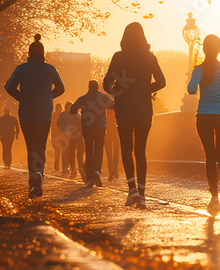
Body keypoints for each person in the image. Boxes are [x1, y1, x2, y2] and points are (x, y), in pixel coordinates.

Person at [103, 22, 166, 209]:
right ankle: (143, 194)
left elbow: (106, 83)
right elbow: (162, 82)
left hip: (124, 109)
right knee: (140, 151)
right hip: (144, 109)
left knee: (126, 149)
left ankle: (132, 190)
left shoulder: (119, 57)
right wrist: (146, 89)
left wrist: (117, 90)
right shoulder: (150, 57)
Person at [5, 34, 64, 197]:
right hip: (44, 114)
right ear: (43, 53)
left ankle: (32, 182)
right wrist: (48, 97)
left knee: (30, 147)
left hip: (26, 113)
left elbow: (9, 87)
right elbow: (61, 88)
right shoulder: (50, 69)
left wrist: (22, 98)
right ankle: (39, 175)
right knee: (40, 147)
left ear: (29, 53)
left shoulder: (21, 69)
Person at [186, 34, 220, 215]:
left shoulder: (199, 70)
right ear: (219, 49)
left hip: (205, 115)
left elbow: (191, 89)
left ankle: (214, 197)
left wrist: (199, 87)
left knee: (209, 154)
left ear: (204, 49)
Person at [70, 80, 114, 188]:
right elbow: (113, 106)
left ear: (88, 87)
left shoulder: (83, 98)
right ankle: (97, 172)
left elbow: (72, 110)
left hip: (87, 128)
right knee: (99, 150)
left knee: (89, 152)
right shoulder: (103, 97)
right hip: (100, 127)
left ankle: (90, 178)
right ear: (97, 87)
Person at [61, 100, 85, 180]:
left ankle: (77, 168)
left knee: (76, 153)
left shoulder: (76, 115)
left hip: (75, 136)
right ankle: (77, 168)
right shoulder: (77, 115)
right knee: (76, 153)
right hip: (75, 136)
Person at [104, 107, 120, 181]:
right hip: (115, 130)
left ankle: (111, 169)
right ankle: (114, 169)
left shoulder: (105, 107)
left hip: (108, 129)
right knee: (115, 151)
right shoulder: (117, 106)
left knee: (109, 151)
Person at [50, 103, 65, 173]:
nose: (59, 109)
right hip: (56, 135)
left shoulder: (62, 115)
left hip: (61, 135)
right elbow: (52, 126)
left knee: (61, 151)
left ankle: (62, 166)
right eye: (58, 107)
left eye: (59, 107)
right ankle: (57, 166)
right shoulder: (54, 115)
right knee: (57, 152)